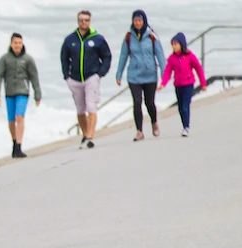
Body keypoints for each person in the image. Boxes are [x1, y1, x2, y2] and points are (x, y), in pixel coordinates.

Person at [61, 9, 112, 148]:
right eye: (81, 20)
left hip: (92, 76)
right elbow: (64, 57)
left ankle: (90, 136)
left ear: (90, 21)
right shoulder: (70, 39)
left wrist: (100, 73)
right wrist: (66, 75)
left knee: (91, 106)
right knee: (80, 110)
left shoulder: (98, 39)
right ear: (78, 21)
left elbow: (107, 56)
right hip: (75, 79)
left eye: (86, 20)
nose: (84, 22)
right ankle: (85, 134)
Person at [116, 10, 167, 141]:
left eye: (140, 20)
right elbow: (123, 56)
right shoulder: (128, 37)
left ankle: (154, 122)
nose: (137, 23)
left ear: (144, 21)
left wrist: (164, 74)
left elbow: (160, 55)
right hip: (134, 75)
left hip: (150, 75)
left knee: (149, 103)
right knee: (137, 102)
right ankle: (139, 131)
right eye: (135, 20)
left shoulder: (152, 36)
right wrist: (119, 74)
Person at [0, 33, 42, 158]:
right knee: (11, 120)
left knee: (19, 117)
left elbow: (34, 77)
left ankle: (19, 146)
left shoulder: (28, 59)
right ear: (11, 44)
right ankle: (14, 142)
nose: (17, 45)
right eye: (15, 43)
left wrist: (37, 94)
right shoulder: (4, 59)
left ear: (22, 44)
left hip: (23, 93)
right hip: (9, 93)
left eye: (19, 43)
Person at [160, 33, 207, 137]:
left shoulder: (190, 56)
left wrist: (203, 83)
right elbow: (168, 72)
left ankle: (186, 127)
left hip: (188, 85)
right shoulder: (172, 58)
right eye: (172, 44)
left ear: (181, 44)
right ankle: (184, 125)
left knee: (185, 106)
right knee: (180, 108)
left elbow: (198, 68)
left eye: (176, 44)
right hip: (178, 85)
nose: (174, 46)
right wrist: (163, 84)